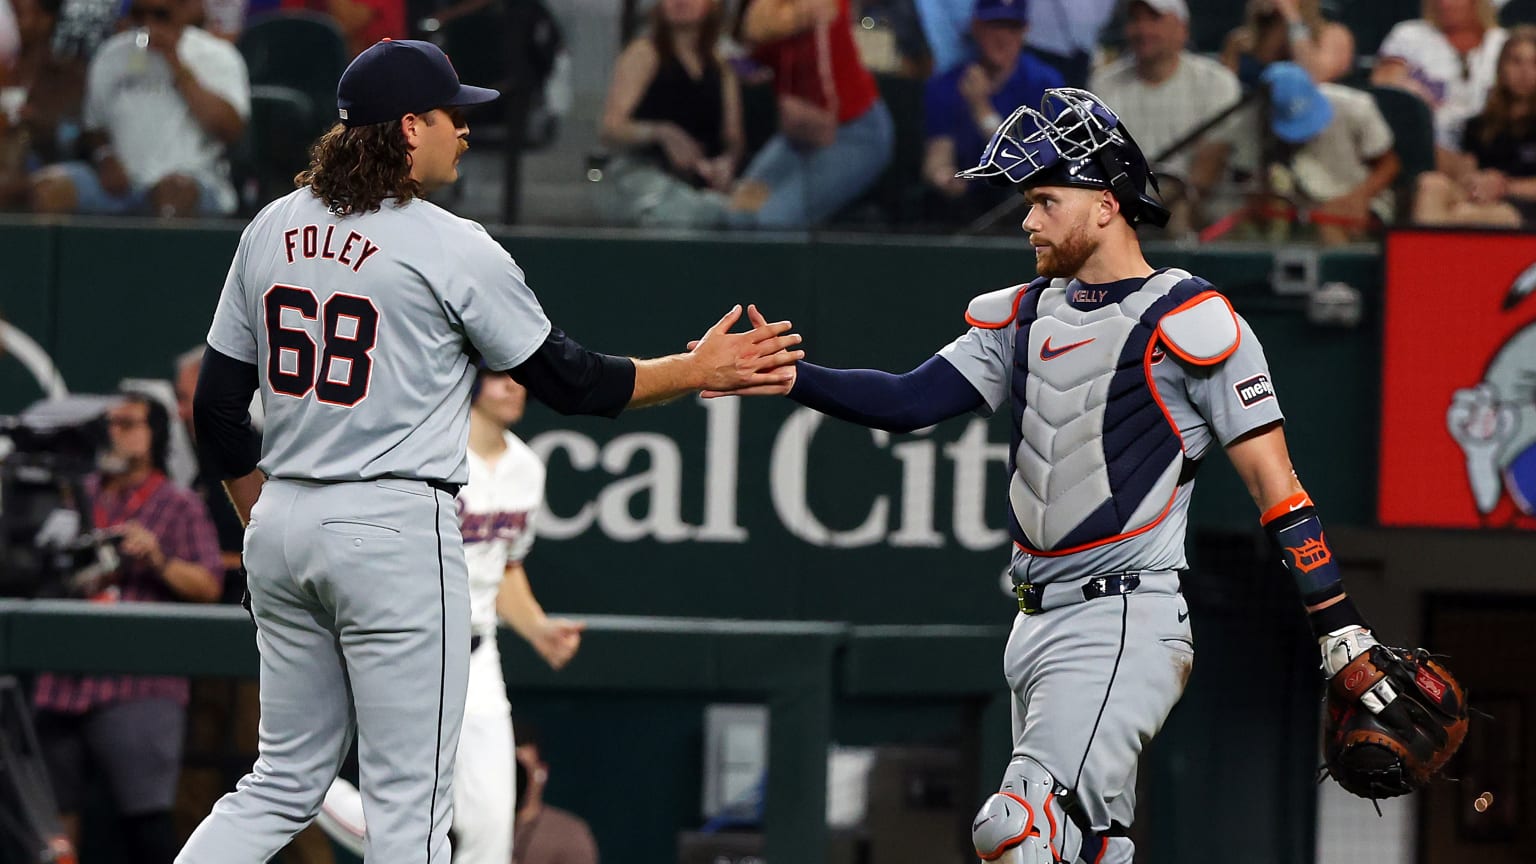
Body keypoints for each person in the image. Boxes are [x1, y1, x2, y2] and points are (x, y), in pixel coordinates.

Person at [716, 88, 1389, 863]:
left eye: (1044, 201)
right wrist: (789, 376)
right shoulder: (1024, 312)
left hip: (1124, 616)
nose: (1028, 221)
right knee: (1088, 846)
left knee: (1015, 827)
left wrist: (1339, 625)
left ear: (1105, 205)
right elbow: (908, 401)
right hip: (1033, 624)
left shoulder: (1192, 318)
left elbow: (1279, 489)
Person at [179, 37, 799, 864]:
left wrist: (266, 514)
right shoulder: (450, 244)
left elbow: (217, 408)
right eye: (451, 115)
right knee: (410, 813)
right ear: (409, 127)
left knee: (280, 783)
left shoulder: (272, 226)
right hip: (393, 525)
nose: (465, 130)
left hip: (286, 517)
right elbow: (574, 383)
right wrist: (696, 370)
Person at [313, 367, 583, 864]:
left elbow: (503, 567)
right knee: (405, 826)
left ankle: (298, 785)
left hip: (477, 652)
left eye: (519, 376)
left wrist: (537, 627)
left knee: (491, 828)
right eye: (498, 376)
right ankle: (295, 786)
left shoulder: (526, 468)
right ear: (469, 380)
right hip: (408, 646)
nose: (514, 386)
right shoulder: (421, 454)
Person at [33, 392, 223, 864]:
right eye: (110, 423)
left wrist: (158, 559)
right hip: (64, 679)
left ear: (153, 433)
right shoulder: (75, 496)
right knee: (50, 827)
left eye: (127, 423)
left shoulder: (178, 504)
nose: (114, 433)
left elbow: (208, 586)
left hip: (138, 683)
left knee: (145, 827)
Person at [28, 0, 248, 216]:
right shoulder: (112, 53)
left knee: (173, 195)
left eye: (160, 15)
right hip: (122, 181)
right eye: (139, 15)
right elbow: (94, 126)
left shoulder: (216, 55)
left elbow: (231, 130)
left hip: (191, 178)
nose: (148, 23)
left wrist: (176, 64)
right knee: (48, 190)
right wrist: (105, 156)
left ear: (183, 10)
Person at [729, 0, 894, 228]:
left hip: (853, 133)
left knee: (774, 220)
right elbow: (745, 51)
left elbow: (825, 125)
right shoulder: (769, 10)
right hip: (798, 134)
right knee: (738, 214)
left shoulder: (821, 7)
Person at [1087, 0, 1241, 229]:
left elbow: (1211, 164)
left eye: (1154, 19)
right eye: (1135, 20)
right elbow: (1104, 163)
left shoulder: (1216, 83)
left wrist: (1160, 209)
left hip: (1199, 216)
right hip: (1125, 212)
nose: (1143, 29)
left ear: (1182, 29)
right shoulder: (1104, 85)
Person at [595, 0, 743, 228]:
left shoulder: (722, 62)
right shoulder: (644, 53)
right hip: (642, 175)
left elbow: (733, 136)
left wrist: (727, 163)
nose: (680, 2)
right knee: (690, 214)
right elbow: (610, 128)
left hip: (701, 180)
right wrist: (661, 133)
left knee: (740, 214)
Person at [922, 0, 1062, 211]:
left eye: (1012, 28)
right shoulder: (947, 83)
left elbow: (1030, 166)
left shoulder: (1045, 84)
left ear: (1025, 30)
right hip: (964, 203)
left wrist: (981, 107)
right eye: (994, 26)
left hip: (1025, 203)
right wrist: (943, 175)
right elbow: (938, 153)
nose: (1002, 38)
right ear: (977, 28)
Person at [1414, 25, 1536, 227]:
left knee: (1465, 214)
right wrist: (1475, 181)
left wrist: (1505, 186)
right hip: (1481, 197)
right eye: (1516, 61)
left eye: (1534, 63)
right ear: (1502, 68)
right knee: (1432, 184)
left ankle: (1430, 244)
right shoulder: (1480, 124)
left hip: (1523, 206)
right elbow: (1466, 173)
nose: (1525, 72)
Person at [1372, 0, 1506, 159]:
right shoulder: (1409, 35)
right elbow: (1384, 84)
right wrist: (1412, 93)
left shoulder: (1503, 43)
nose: (1444, 4)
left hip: (1491, 148)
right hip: (1425, 147)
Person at [511, 724, 598, 864]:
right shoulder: (481, 826)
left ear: (541, 773)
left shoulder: (568, 834)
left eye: (523, 771)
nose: (515, 778)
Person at [1220, 0, 1354, 86]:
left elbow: (1314, 76)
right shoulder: (1240, 41)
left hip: (1308, 114)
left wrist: (1292, 18)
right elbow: (1225, 90)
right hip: (1251, 115)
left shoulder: (1333, 35)